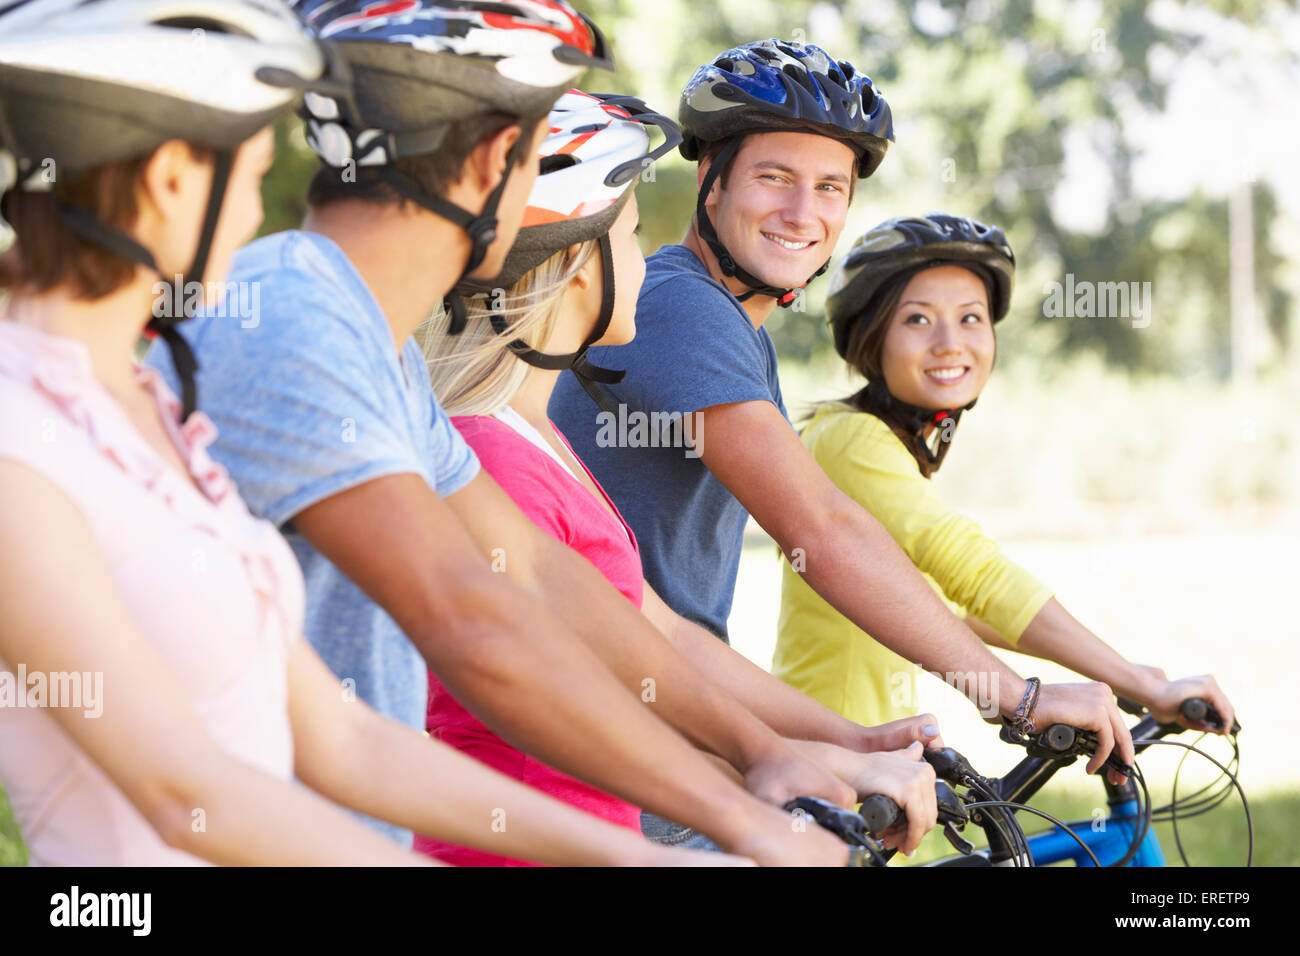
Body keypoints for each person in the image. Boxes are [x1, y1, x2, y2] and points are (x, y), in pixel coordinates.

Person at [0, 0, 737, 868]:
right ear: (169, 181)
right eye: (249, 178)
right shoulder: (24, 440)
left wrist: (655, 853)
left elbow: (342, 739)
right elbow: (186, 790)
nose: (252, 223)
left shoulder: (142, 405)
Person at [145, 1, 857, 865]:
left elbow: (533, 571)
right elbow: (474, 621)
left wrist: (762, 759)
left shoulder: (379, 348)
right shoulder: (298, 321)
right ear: (496, 160)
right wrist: (731, 814)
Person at [549, 39, 1137, 848]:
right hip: (611, 742)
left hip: (664, 715)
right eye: (774, 178)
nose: (803, 213)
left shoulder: (730, 330)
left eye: (830, 187)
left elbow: (683, 625)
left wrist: (849, 739)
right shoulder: (684, 307)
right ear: (709, 180)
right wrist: (1016, 697)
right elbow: (821, 532)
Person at [417, 90, 943, 862]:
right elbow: (576, 705)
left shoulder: (533, 442)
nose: (647, 261)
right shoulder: (491, 459)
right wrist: (768, 772)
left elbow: (661, 635)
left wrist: (841, 742)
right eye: (629, 236)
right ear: (574, 260)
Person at [773, 212, 1236, 733]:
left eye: (970, 318)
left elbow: (951, 606)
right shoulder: (851, 441)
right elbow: (972, 572)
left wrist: (1126, 675)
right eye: (918, 319)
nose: (951, 342)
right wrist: (1143, 686)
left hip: (868, 757)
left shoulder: (875, 445)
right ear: (870, 338)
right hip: (832, 771)